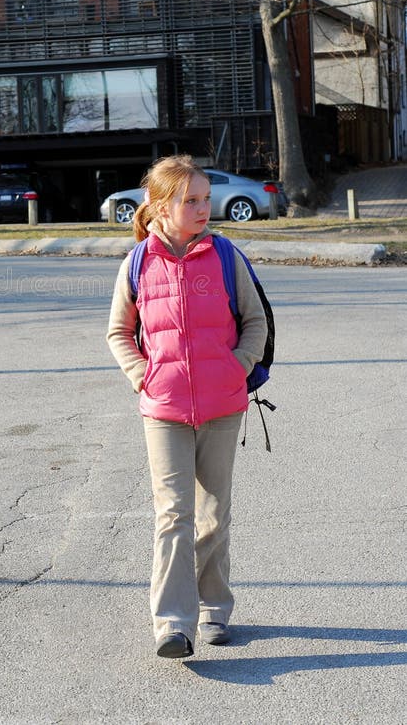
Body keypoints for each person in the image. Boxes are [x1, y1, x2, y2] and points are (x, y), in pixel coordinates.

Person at [106, 155, 268, 659]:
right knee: (173, 514)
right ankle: (173, 625)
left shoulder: (225, 256)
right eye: (190, 200)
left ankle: (214, 609)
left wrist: (234, 367)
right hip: (164, 409)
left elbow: (255, 323)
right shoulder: (137, 263)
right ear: (159, 205)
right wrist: (143, 376)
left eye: (204, 199)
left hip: (223, 405)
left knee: (214, 513)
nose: (203, 209)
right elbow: (117, 333)